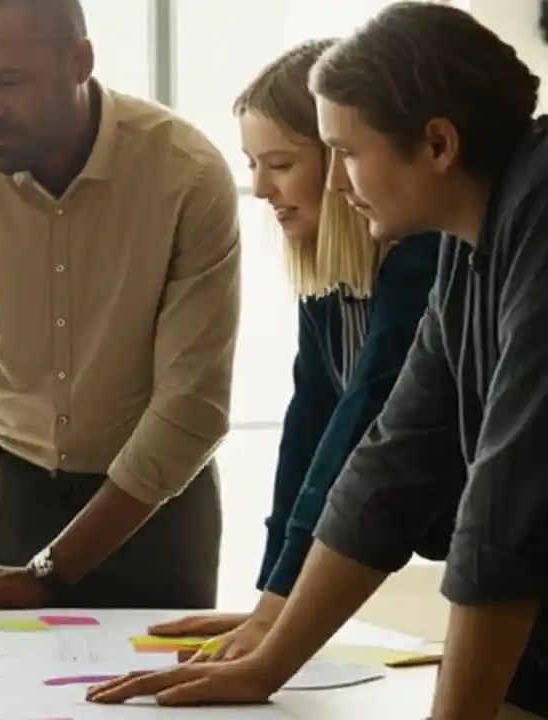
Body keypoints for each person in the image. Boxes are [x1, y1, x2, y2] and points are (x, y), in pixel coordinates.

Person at [85, 4, 548, 719]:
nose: (334, 183)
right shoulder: (468, 240)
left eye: (348, 151)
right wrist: (266, 663)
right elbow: (388, 464)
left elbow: (508, 503)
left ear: (437, 144)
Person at [0, 0, 240, 613]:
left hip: (157, 504)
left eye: (10, 81)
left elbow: (194, 407)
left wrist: (49, 572)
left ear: (80, 62)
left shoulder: (188, 175)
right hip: (10, 492)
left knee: (163, 702)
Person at [145, 40, 440, 661]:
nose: (259, 189)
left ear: (342, 157)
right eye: (251, 164)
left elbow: (362, 427)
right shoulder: (331, 283)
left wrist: (282, 615)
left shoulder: (421, 263)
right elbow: (310, 427)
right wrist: (268, 600)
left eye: (279, 164)